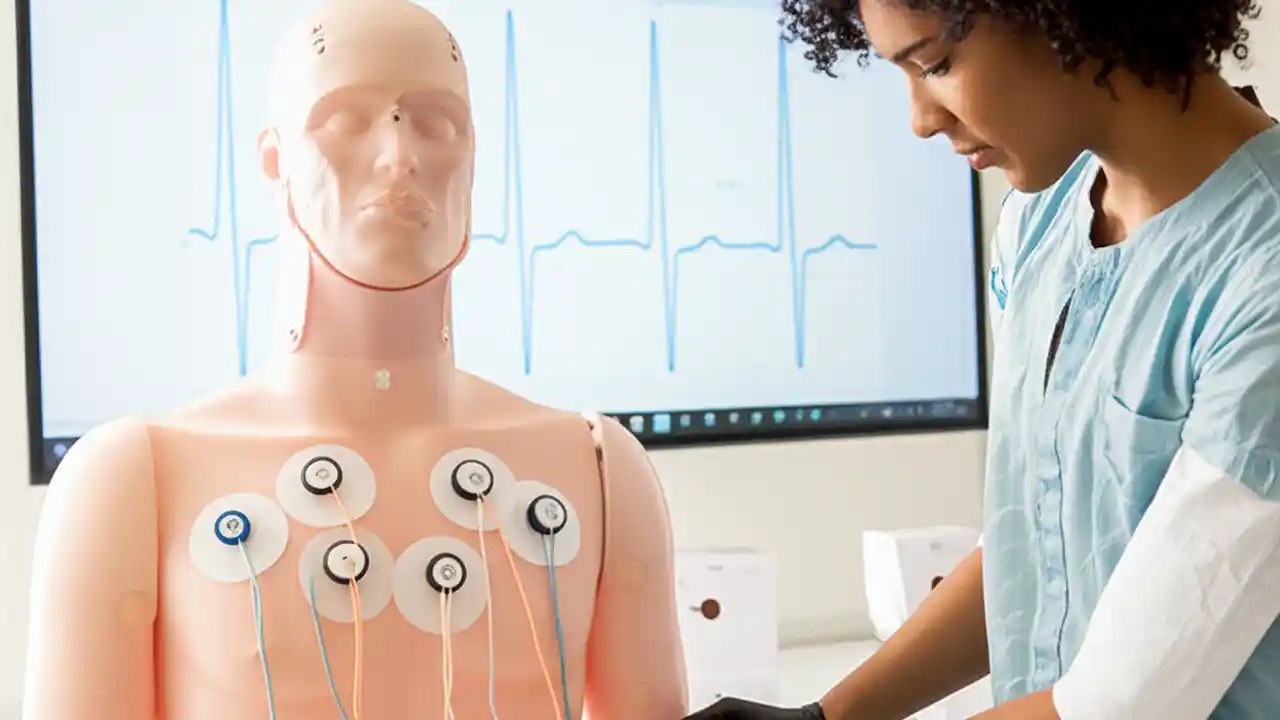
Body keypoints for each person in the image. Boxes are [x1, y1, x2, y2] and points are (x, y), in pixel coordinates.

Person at [21, 1, 688, 718]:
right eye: (344, 119)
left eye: (437, 124)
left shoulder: (598, 471)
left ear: (473, 160)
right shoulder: (135, 479)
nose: (399, 156)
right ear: (275, 161)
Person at [685, 0, 1280, 718]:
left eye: (936, 64)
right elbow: (1032, 553)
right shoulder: (1043, 217)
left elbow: (1114, 706)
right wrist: (826, 717)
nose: (920, 119)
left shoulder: (1264, 274)